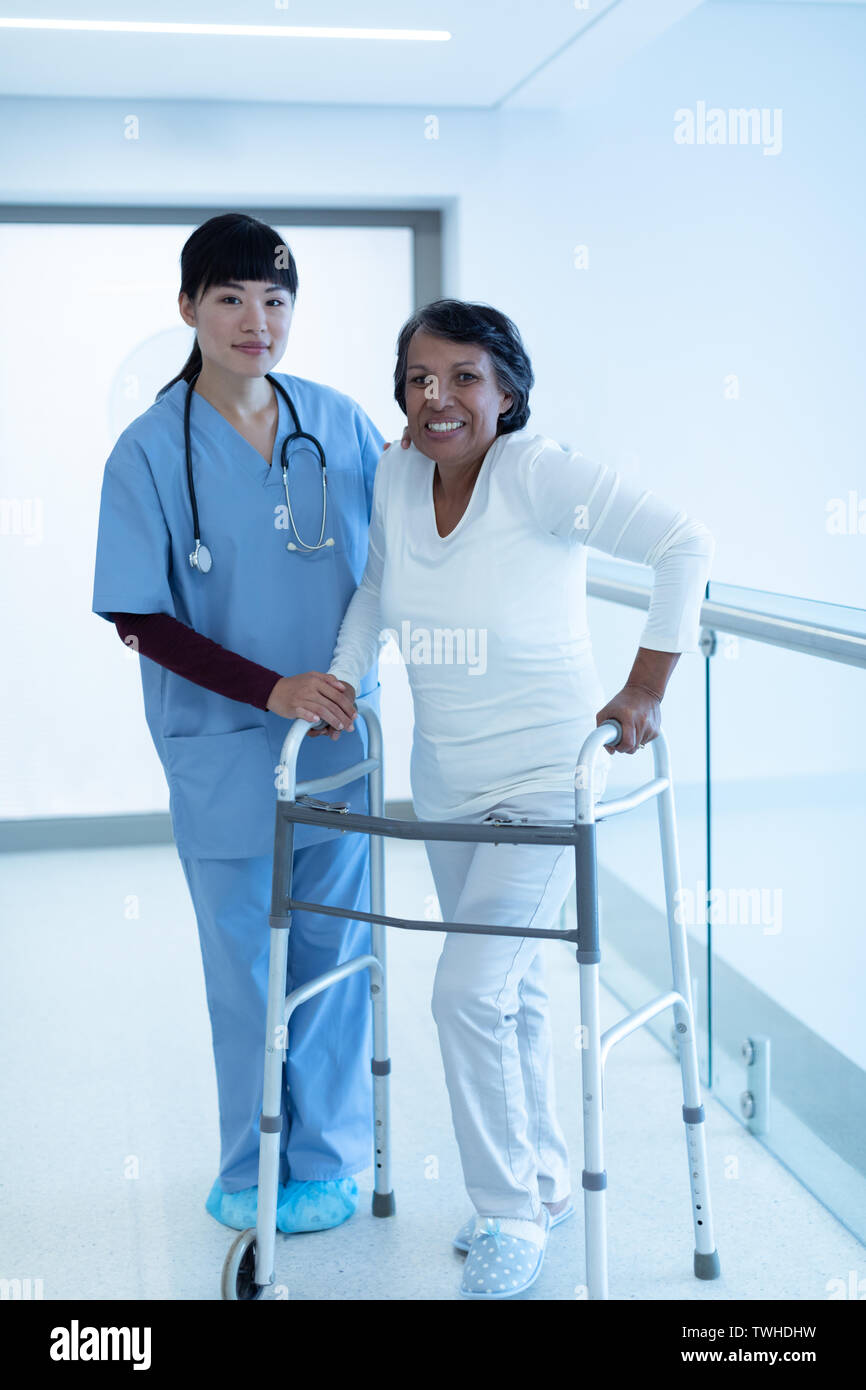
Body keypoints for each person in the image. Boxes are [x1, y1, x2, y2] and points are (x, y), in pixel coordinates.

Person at [314, 297, 715, 1298]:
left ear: (506, 390)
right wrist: (342, 676)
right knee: (511, 993)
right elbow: (371, 586)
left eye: (461, 377)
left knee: (465, 992)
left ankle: (508, 1220)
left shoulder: (538, 475)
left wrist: (645, 687)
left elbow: (681, 542)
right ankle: (537, 1176)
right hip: (444, 781)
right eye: (417, 378)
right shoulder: (398, 471)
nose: (436, 397)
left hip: (542, 786)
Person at [91, 213, 386, 1234]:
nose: (256, 320)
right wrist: (269, 690)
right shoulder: (145, 451)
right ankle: (250, 1160)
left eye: (275, 298)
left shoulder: (339, 422)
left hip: (337, 742)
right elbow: (136, 614)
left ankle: (331, 1158)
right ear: (188, 308)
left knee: (337, 959)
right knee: (244, 969)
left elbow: (402, 551)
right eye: (229, 298)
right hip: (224, 750)